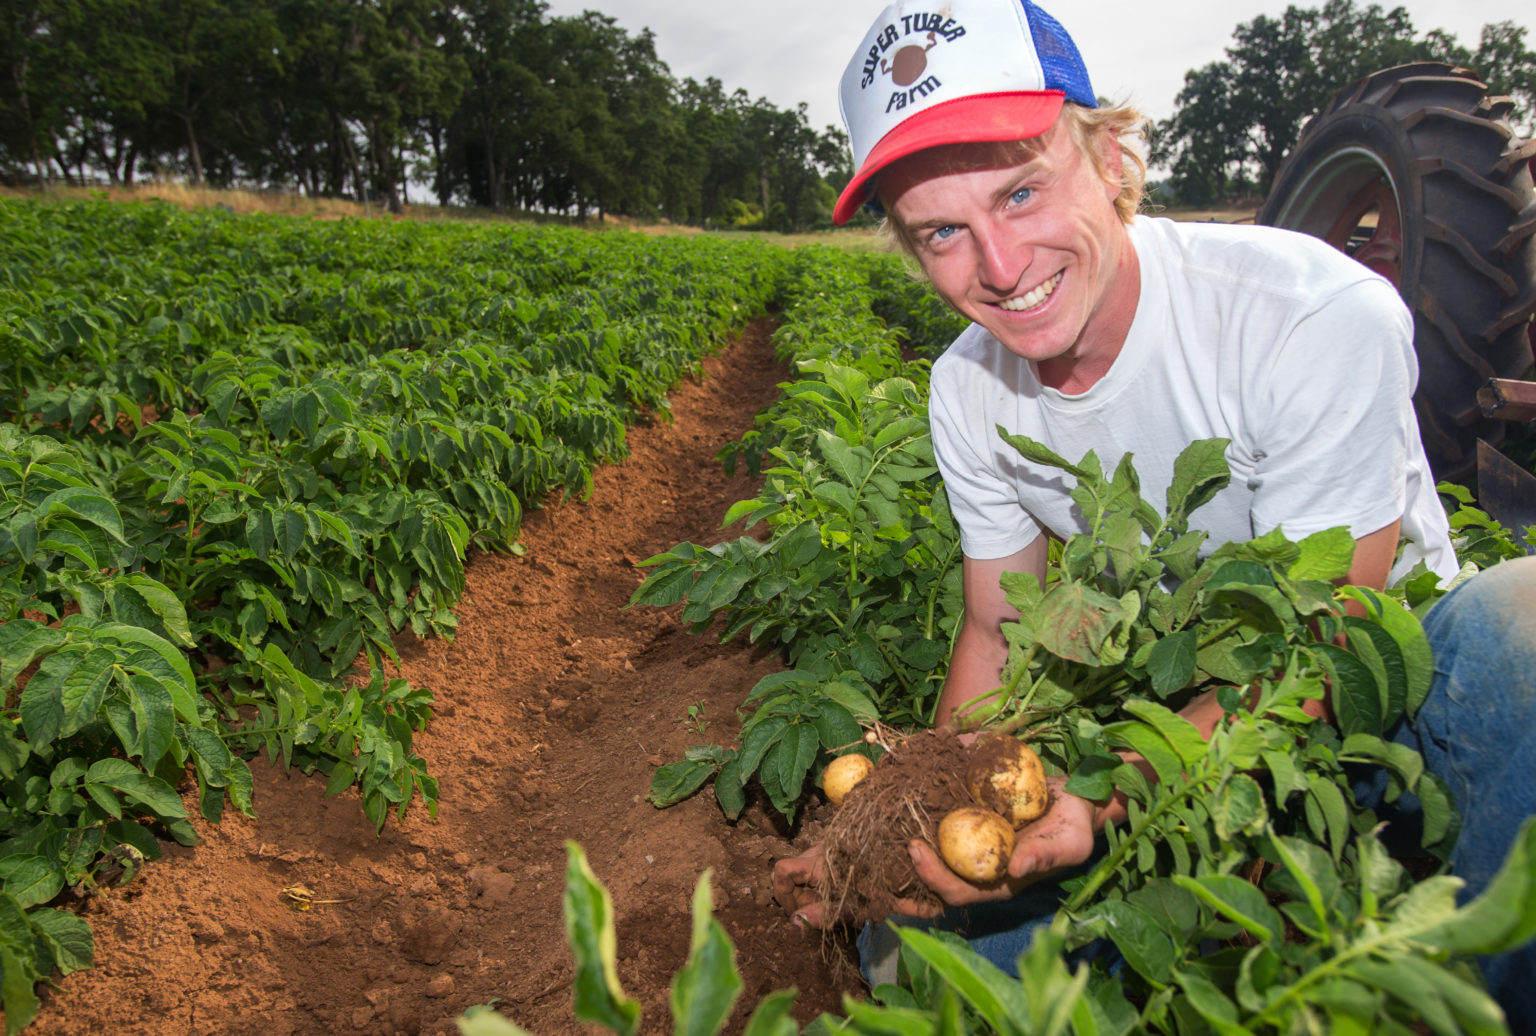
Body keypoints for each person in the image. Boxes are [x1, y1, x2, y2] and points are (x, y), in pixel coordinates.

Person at [772, 0, 1536, 1024]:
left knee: (1519, 631)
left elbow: (1334, 637)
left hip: (1395, 687)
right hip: (1176, 700)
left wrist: (1117, 789)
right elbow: (1001, 627)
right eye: (944, 231)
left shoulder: (1306, 314)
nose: (999, 266)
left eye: (1023, 191)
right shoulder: (968, 389)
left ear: (1115, 161)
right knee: (928, 954)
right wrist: (894, 813)